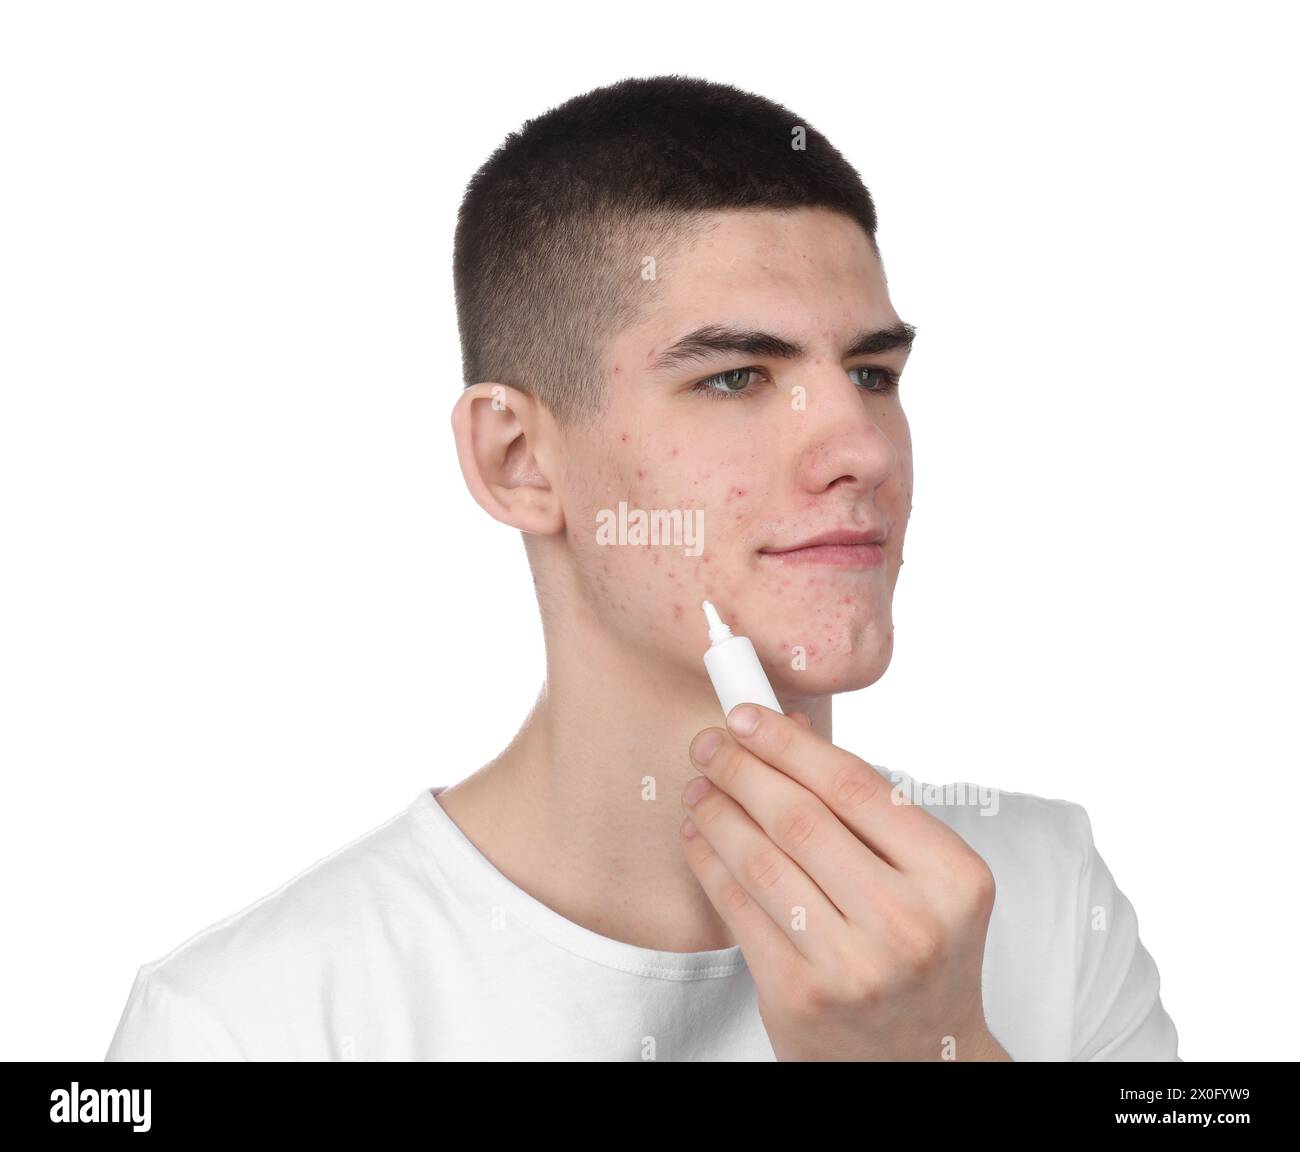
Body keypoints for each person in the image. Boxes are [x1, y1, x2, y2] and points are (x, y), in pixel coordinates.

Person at [106, 74, 1180, 1061]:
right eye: (735, 378)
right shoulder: (249, 1025)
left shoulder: (1042, 892)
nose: (858, 446)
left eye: (870, 371)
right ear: (517, 460)